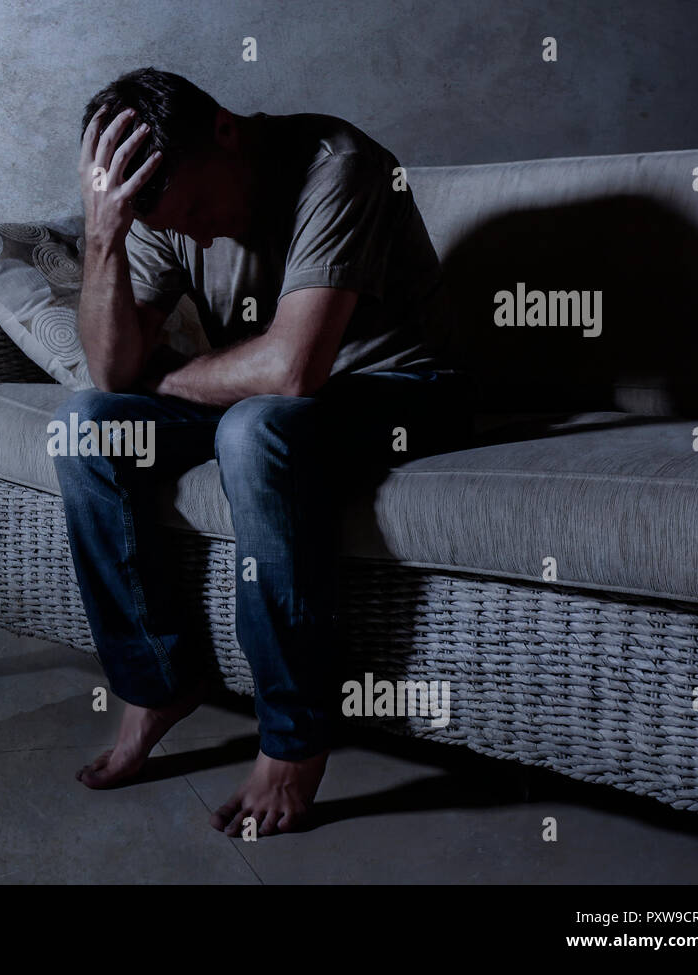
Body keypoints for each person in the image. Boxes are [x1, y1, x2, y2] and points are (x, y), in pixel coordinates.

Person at [53, 67, 476, 836]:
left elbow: (291, 370)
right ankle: (155, 683)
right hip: (281, 399)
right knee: (89, 424)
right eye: (179, 226)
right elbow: (113, 371)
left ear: (225, 130)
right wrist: (103, 237)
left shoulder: (338, 166)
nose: (202, 236)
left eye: (203, 209)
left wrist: (172, 377)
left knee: (255, 427)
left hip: (405, 389)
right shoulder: (171, 211)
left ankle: (294, 738)